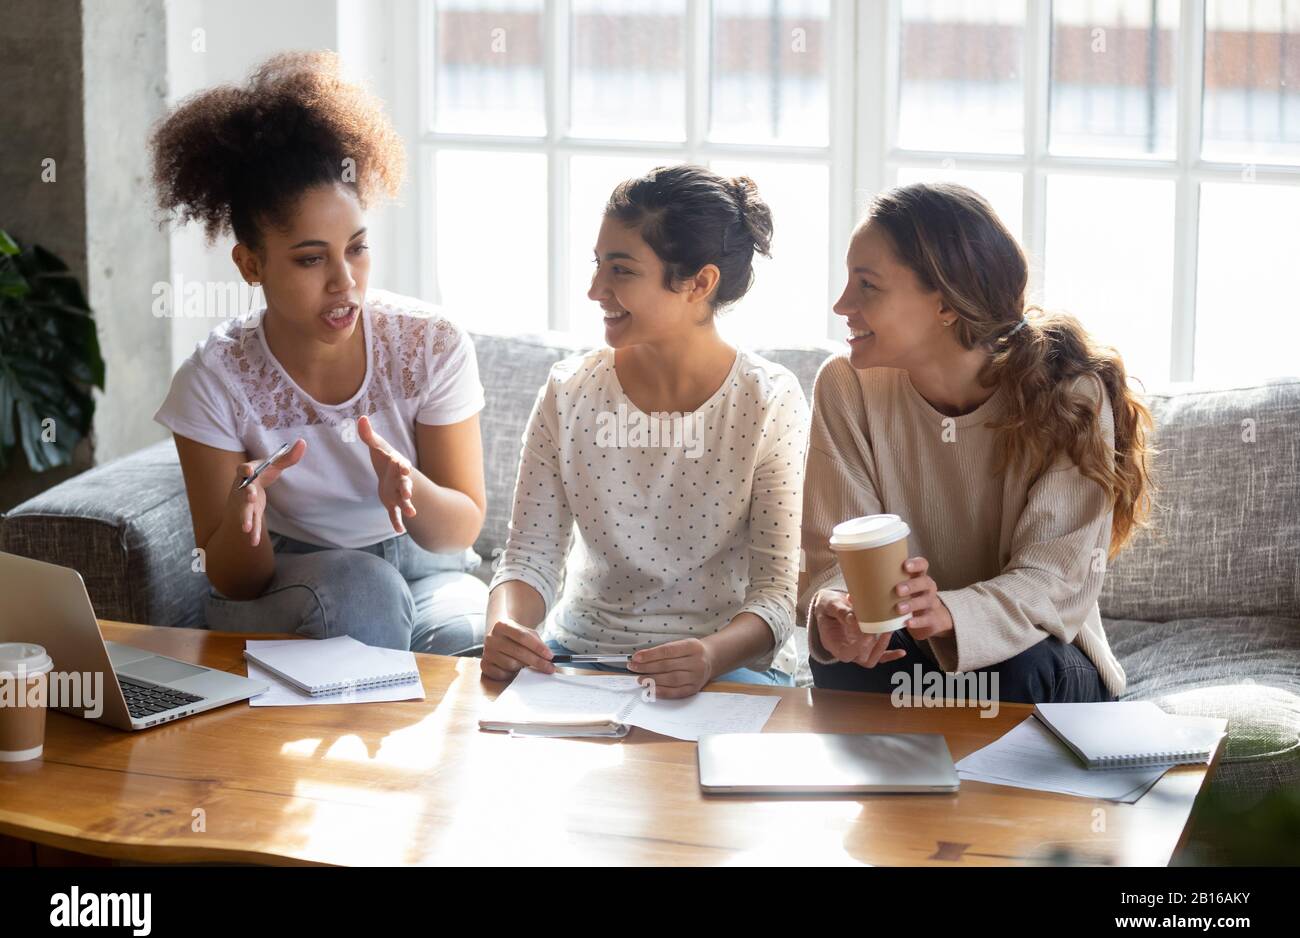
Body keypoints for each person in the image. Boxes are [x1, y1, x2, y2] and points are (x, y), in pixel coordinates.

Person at [151, 52, 488, 653]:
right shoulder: (214, 378)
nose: (344, 281)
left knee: (470, 636)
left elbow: (460, 529)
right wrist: (246, 511)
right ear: (251, 264)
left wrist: (409, 485)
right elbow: (235, 579)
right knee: (363, 592)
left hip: (424, 564)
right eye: (311, 259)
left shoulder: (429, 344)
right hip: (291, 576)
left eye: (356, 249)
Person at [799, 182, 1155, 703]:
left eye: (867, 285)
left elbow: (1051, 582)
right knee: (847, 666)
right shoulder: (847, 385)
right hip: (914, 653)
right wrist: (837, 609)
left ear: (944, 304)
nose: (842, 304)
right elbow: (835, 549)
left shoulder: (1072, 396)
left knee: (1012, 670)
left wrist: (949, 613)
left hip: (1039, 657)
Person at [483, 165, 810, 698]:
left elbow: (777, 592)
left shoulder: (768, 400)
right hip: (581, 655)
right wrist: (506, 626)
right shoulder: (569, 390)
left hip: (728, 671)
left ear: (699, 283)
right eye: (597, 265)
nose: (595, 290)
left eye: (621, 270)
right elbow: (529, 556)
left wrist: (707, 657)